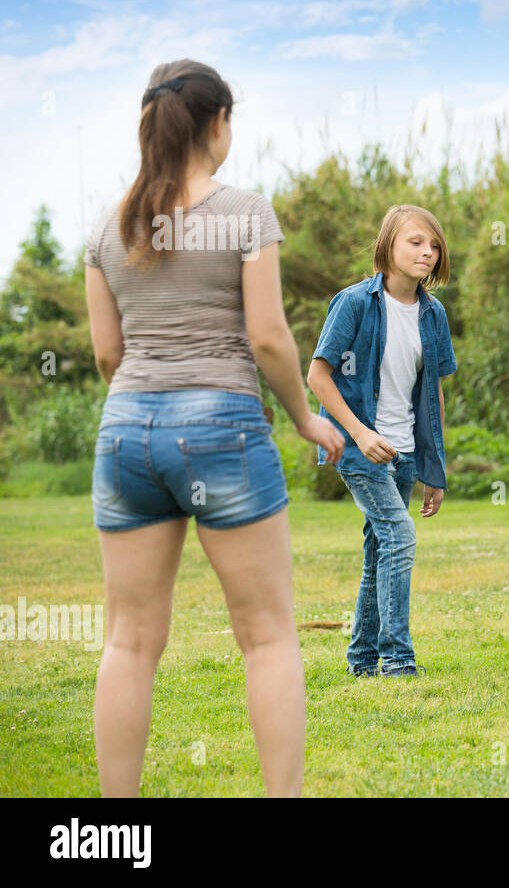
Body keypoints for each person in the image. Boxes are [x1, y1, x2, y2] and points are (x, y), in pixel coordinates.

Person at [85, 59, 344, 797]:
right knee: (266, 636)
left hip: (126, 427)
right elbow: (267, 336)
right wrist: (302, 418)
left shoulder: (111, 226)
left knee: (129, 643)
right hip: (223, 427)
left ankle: (115, 827)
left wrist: (151, 407)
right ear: (218, 122)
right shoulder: (246, 211)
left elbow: (109, 353)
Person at [306, 205, 456, 678]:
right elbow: (317, 375)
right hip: (357, 447)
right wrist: (359, 432)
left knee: (380, 550)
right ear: (388, 243)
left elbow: (432, 393)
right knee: (400, 536)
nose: (427, 253)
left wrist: (435, 467)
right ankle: (397, 657)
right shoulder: (354, 303)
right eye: (415, 242)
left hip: (406, 450)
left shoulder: (434, 314)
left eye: (433, 245)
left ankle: (362, 658)